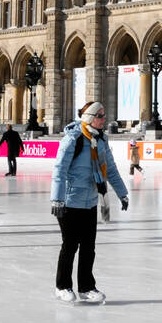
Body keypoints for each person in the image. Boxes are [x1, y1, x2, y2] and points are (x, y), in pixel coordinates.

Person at [50, 102, 129, 304]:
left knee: (88, 247)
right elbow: (59, 170)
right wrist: (57, 199)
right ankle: (62, 286)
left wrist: (122, 193)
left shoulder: (101, 139)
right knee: (70, 245)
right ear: (90, 117)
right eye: (100, 115)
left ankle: (86, 288)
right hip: (69, 201)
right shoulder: (73, 139)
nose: (104, 118)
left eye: (104, 114)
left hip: (90, 201)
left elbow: (109, 169)